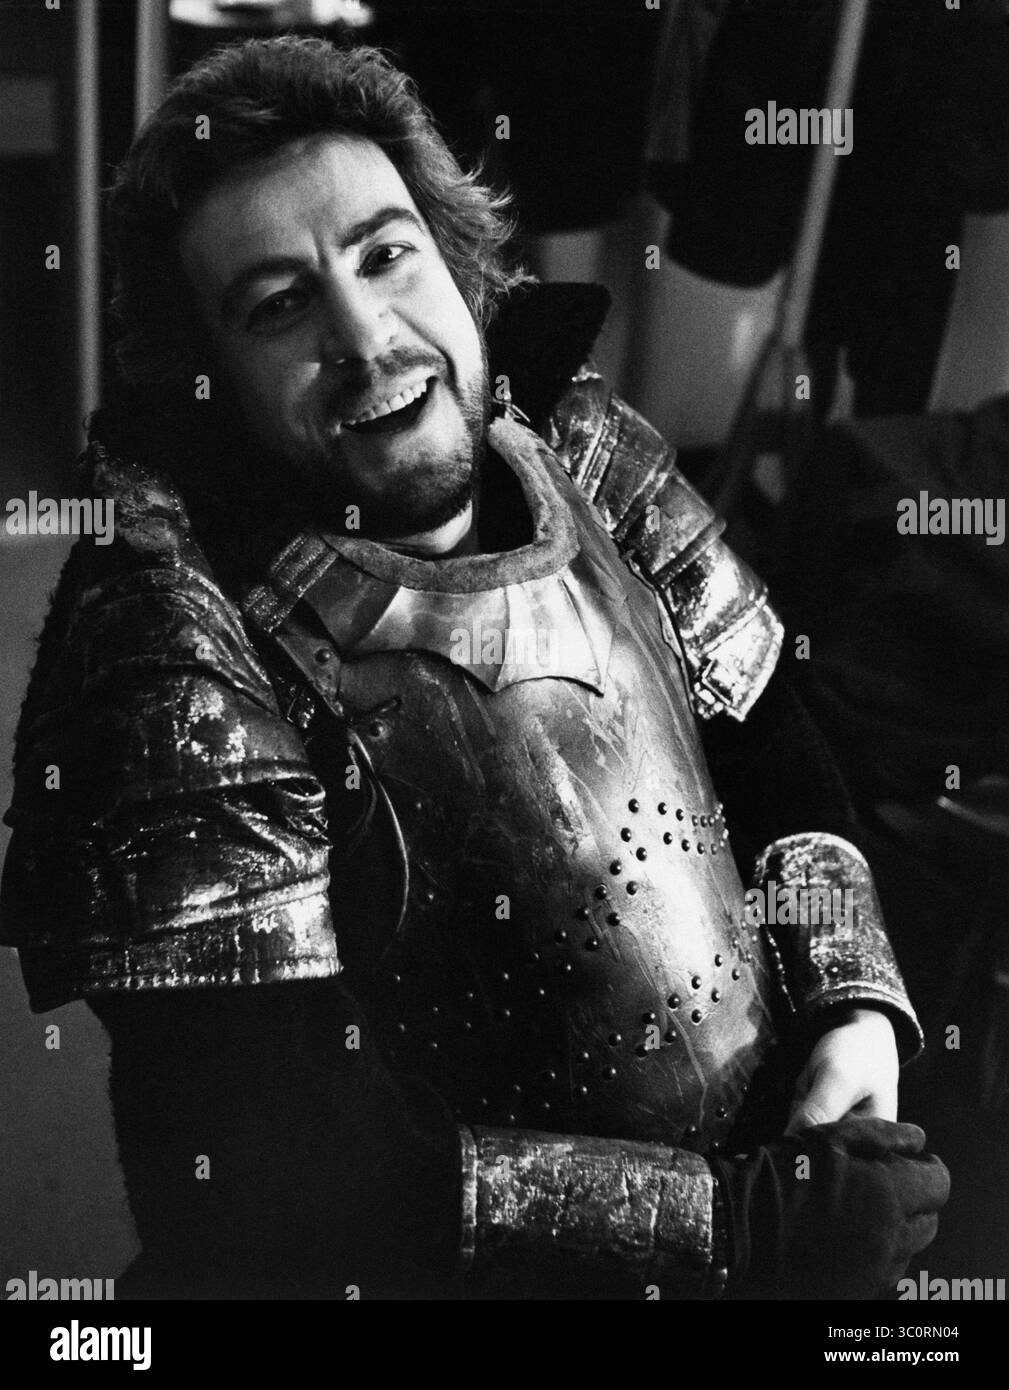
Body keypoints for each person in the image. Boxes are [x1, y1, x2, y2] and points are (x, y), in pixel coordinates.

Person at [0, 36, 948, 1300]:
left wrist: (852, 1021)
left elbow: (782, 763)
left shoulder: (589, 454)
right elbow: (279, 1176)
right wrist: (739, 1232)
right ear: (207, 378)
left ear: (454, 260)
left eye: (386, 254)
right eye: (280, 304)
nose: (366, 334)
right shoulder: (176, 648)